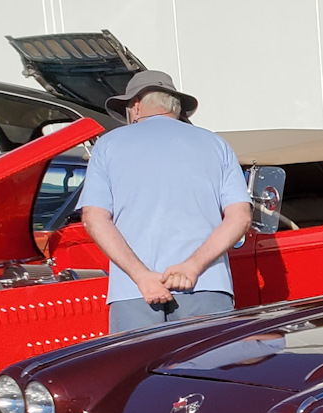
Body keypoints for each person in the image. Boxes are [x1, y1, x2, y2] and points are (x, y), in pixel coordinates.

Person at [78, 71, 251, 333]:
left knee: (137, 373)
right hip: (205, 285)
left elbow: (93, 218)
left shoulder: (107, 146)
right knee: (209, 370)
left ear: (135, 105)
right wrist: (192, 267)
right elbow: (240, 217)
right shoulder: (216, 144)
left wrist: (141, 277)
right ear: (177, 107)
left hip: (134, 292)